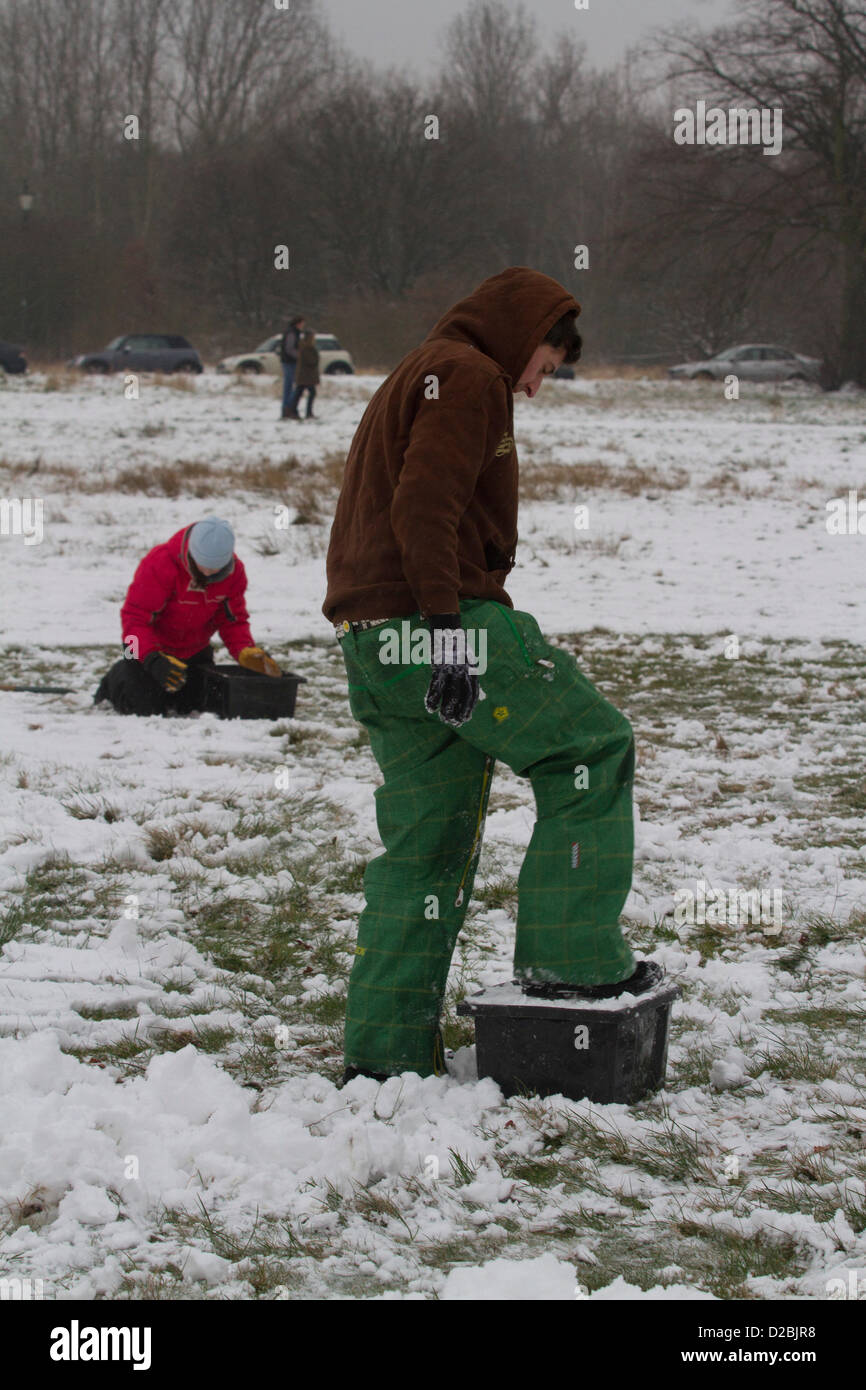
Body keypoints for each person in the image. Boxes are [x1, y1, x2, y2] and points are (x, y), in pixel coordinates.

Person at [322, 266, 663, 1084]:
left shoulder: (421, 367)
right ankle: (574, 970)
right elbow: (424, 507)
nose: (537, 389)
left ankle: (384, 1057)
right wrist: (446, 632)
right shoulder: (471, 376)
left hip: (372, 640)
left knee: (426, 849)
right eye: (543, 367)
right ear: (521, 337)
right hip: (436, 625)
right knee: (592, 749)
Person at [95, 517, 282, 715]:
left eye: (217, 568)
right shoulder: (160, 563)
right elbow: (134, 620)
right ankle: (118, 674)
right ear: (191, 553)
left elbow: (232, 620)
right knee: (144, 706)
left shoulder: (235, 573)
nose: (210, 573)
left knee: (200, 706)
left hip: (193, 651)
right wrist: (152, 659)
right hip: (142, 651)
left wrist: (245, 650)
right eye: (204, 565)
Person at [289, 330, 320, 420]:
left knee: (299, 392)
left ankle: (294, 411)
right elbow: (311, 360)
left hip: (305, 375)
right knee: (310, 393)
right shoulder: (306, 347)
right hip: (306, 376)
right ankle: (306, 412)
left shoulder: (304, 346)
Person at [279, 314, 305, 420]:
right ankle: (287, 408)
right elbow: (289, 349)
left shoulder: (292, 332)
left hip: (288, 361)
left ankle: (287, 408)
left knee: (289, 386)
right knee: (289, 386)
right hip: (289, 362)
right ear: (298, 323)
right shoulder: (292, 333)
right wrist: (299, 356)